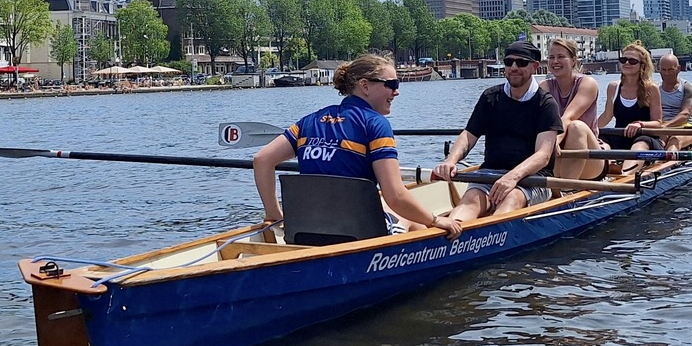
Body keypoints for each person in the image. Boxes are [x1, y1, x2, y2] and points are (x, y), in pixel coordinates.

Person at [253, 54, 461, 241]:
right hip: (358, 234)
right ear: (365, 86)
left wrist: (274, 214)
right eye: (391, 84)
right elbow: (396, 196)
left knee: (392, 209)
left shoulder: (308, 122)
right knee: (415, 221)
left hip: (304, 231)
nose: (396, 92)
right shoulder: (375, 124)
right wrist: (435, 221)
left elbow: (262, 160)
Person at [434, 40, 563, 221]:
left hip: (533, 179)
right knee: (470, 201)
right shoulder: (490, 97)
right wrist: (451, 160)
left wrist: (512, 177)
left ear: (534, 67)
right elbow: (468, 136)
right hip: (490, 173)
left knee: (511, 199)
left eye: (521, 63)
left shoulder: (546, 103)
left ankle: (489, 235)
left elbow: (543, 156)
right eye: (509, 62)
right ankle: (451, 234)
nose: (514, 67)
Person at [541, 37, 606, 184]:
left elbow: (567, 118)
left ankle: (566, 190)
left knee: (576, 126)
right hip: (557, 154)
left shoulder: (587, 83)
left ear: (573, 61)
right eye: (551, 57)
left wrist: (552, 142)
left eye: (561, 57)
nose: (555, 61)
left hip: (591, 159)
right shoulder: (544, 87)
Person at [602, 41, 660, 153]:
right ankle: (609, 165)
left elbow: (658, 123)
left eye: (632, 61)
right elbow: (606, 117)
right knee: (601, 141)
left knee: (640, 144)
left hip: (644, 139)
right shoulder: (613, 87)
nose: (627, 63)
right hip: (619, 136)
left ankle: (626, 170)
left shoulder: (651, 89)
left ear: (642, 66)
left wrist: (639, 124)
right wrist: (587, 128)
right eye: (623, 60)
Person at [654, 53, 692, 150]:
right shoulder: (655, 88)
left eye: (670, 70)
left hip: (684, 126)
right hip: (662, 126)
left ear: (678, 69)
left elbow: (685, 114)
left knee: (674, 142)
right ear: (659, 70)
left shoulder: (688, 87)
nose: (666, 73)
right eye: (663, 70)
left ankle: (669, 159)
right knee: (657, 144)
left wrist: (665, 126)